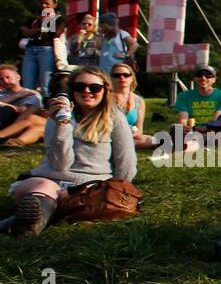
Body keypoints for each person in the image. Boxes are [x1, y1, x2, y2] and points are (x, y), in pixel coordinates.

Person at [8, 66, 137, 236]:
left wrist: (118, 189)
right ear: (72, 90)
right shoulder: (58, 116)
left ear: (105, 90)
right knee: (44, 187)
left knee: (57, 196)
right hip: (50, 178)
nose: (86, 91)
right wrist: (62, 123)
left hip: (89, 185)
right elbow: (60, 163)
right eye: (80, 87)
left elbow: (126, 161)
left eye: (94, 88)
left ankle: (30, 222)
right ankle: (34, 222)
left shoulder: (115, 118)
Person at [19, 0, 62, 99]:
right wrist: (39, 29)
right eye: (42, 3)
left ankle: (45, 109)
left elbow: (51, 33)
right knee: (27, 85)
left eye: (47, 3)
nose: (44, 5)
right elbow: (23, 32)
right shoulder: (33, 19)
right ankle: (28, 106)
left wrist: (46, 21)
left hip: (46, 51)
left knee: (45, 85)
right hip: (30, 51)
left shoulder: (59, 18)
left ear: (54, 5)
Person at [107, 62, 156, 151]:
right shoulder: (105, 98)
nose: (122, 78)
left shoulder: (139, 101)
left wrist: (133, 133)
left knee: (151, 139)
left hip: (130, 137)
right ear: (111, 79)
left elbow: (139, 129)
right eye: (117, 75)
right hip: (108, 135)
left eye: (126, 75)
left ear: (132, 78)